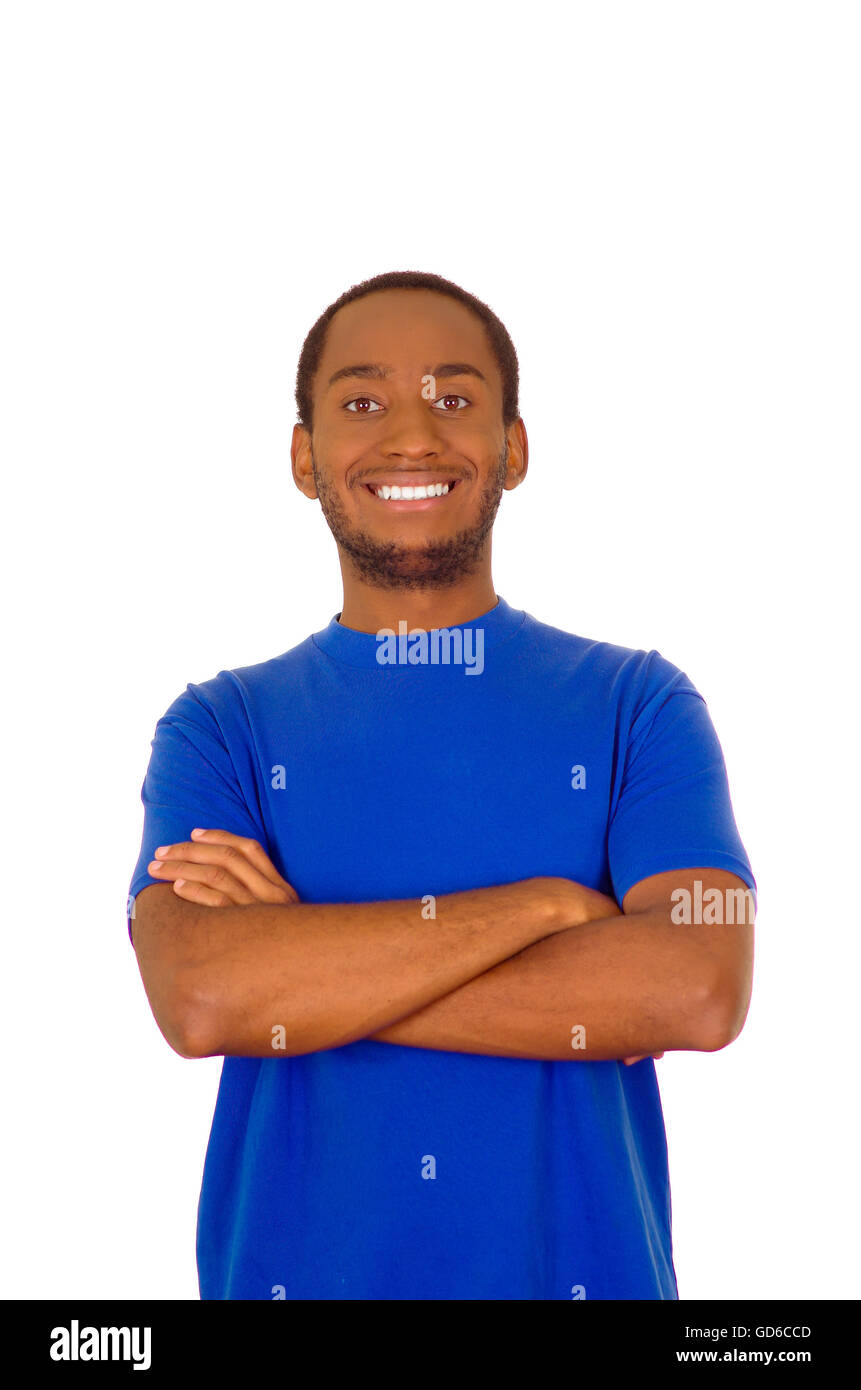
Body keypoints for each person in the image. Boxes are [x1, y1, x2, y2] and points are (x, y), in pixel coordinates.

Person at [128, 269, 756, 1301]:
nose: (412, 434)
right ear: (305, 457)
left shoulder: (638, 703)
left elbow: (696, 986)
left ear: (513, 447)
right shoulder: (220, 727)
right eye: (363, 402)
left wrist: (307, 955)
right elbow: (203, 997)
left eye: (455, 397)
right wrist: (546, 909)